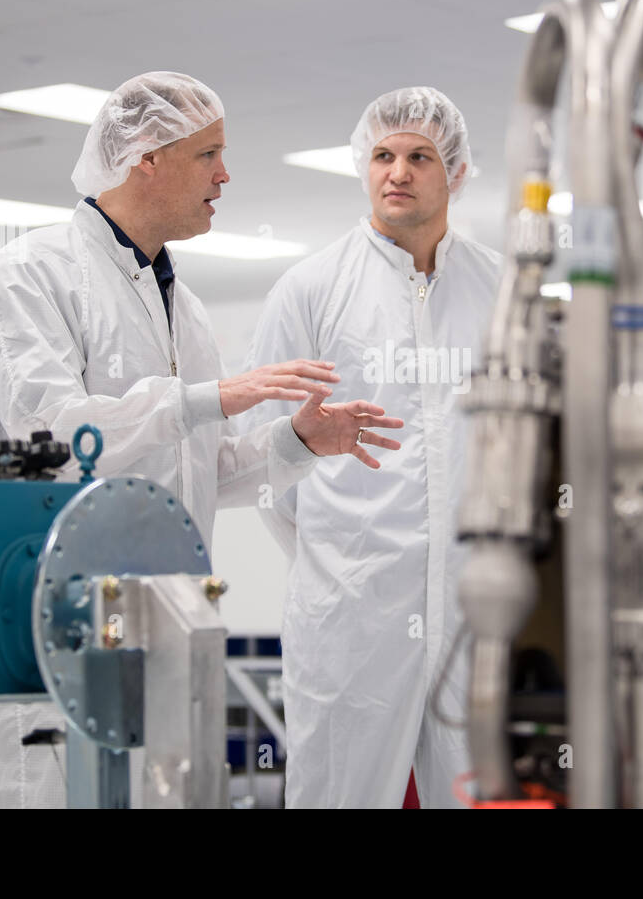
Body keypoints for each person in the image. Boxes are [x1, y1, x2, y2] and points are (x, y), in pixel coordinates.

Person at [0, 71, 402, 808]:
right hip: (57, 649)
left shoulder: (184, 306)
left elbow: (199, 470)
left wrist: (296, 441)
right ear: (147, 158)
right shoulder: (32, 273)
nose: (225, 175)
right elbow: (54, 434)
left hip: (166, 649)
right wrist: (206, 397)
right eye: (210, 155)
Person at [238, 87, 502, 807]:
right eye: (384, 155)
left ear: (455, 170)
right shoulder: (312, 289)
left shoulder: (501, 289)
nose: (398, 172)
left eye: (419, 156)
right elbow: (264, 456)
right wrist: (343, 562)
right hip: (350, 617)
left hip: (475, 620)